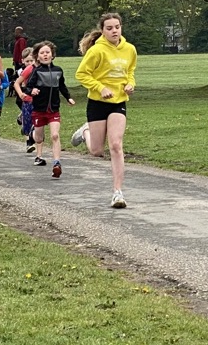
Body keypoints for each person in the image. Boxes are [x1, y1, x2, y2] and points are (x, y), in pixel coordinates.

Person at [73, 13, 137, 208]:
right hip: (97, 103)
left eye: (117, 27)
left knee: (116, 145)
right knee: (97, 151)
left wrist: (130, 84)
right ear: (102, 31)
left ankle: (118, 193)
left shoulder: (130, 49)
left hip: (119, 102)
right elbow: (81, 74)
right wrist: (100, 88)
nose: (114, 31)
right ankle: (86, 131)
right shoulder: (96, 51)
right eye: (109, 28)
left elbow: (130, 72)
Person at [16, 40, 75, 179]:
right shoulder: (36, 71)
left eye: (47, 52)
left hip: (53, 110)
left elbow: (62, 86)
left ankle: (57, 163)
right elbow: (27, 87)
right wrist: (32, 91)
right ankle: (33, 136)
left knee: (55, 135)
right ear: (38, 56)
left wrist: (68, 97)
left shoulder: (58, 70)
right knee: (39, 137)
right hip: (39, 110)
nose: (45, 55)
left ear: (52, 55)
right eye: (42, 53)